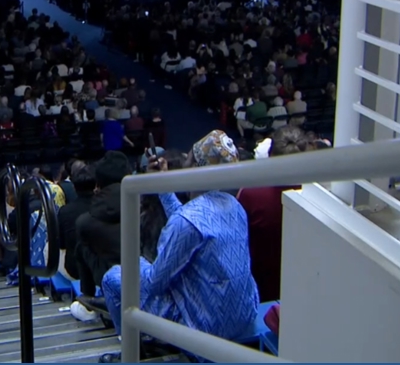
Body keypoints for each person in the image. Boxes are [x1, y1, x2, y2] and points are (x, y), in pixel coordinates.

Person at [98, 131, 259, 344]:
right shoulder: (235, 207)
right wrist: (162, 182)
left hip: (205, 329)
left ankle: (131, 350)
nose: (184, 160)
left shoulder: (187, 220)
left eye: (188, 158)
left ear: (195, 168)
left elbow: (155, 284)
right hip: (244, 317)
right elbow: (188, 224)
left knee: (114, 277)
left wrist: (141, 266)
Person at [237, 127, 316, 302]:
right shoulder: (318, 194)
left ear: (271, 156)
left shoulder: (251, 193)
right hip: (305, 285)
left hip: (260, 285)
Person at [76, 151, 131, 304]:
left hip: (111, 282)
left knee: (81, 247)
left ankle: (88, 298)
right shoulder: (148, 206)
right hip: (148, 279)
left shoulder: (84, 222)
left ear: (98, 185)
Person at [57, 164, 96, 281]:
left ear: (74, 187)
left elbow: (62, 245)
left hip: (75, 269)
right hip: (102, 267)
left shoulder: (64, 211)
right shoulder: (106, 206)